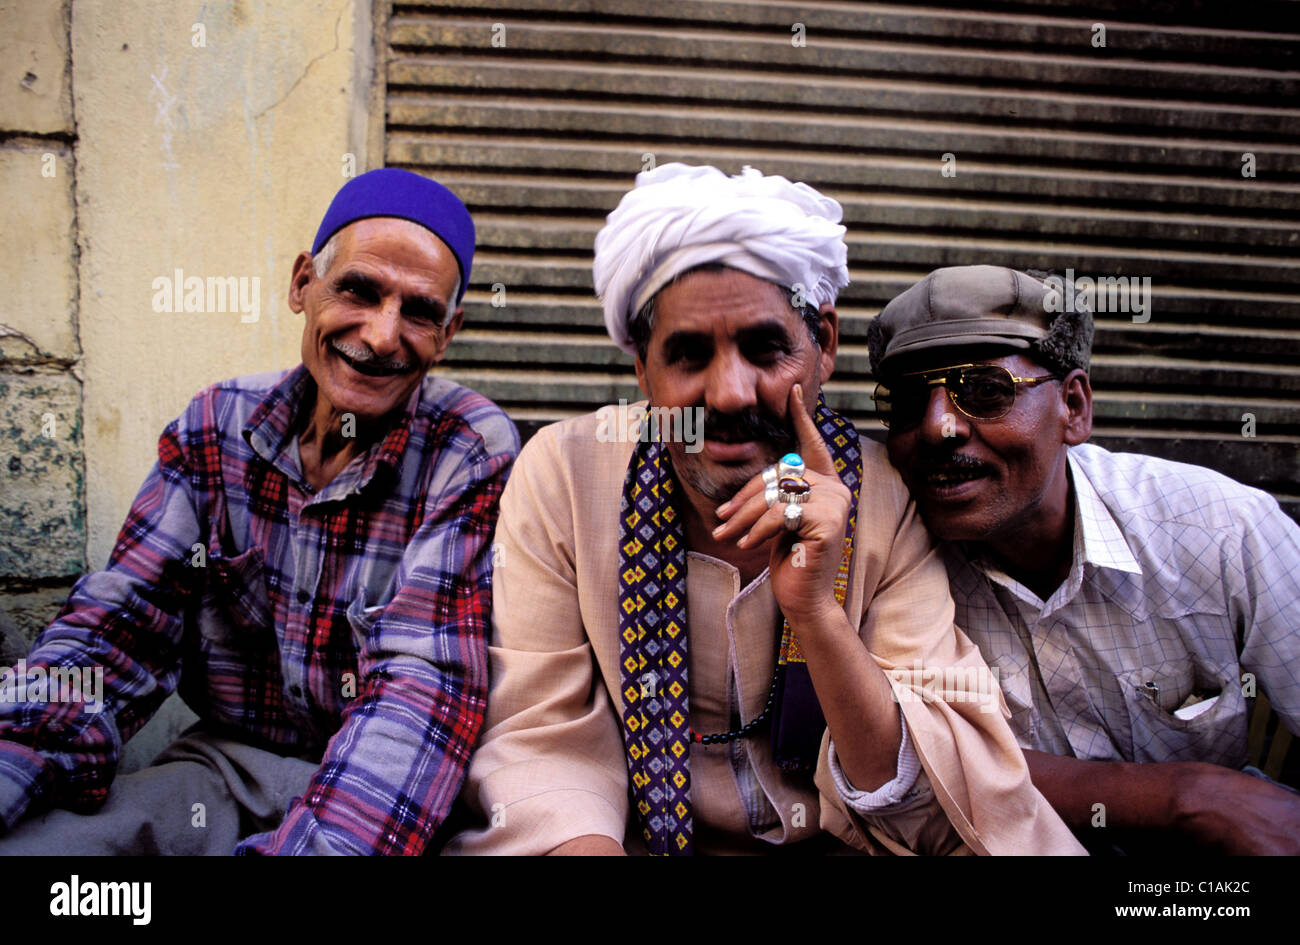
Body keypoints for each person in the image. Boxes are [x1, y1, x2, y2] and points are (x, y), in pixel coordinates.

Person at [445, 164, 1082, 855]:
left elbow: (922, 786)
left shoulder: (884, 493)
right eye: (688, 354)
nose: (728, 393)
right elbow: (544, 741)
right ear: (642, 370)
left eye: (764, 347)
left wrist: (817, 611)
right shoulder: (566, 471)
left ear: (825, 345)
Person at [0, 168, 518, 855]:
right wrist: (14, 765)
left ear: (448, 333)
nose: (383, 334)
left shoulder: (469, 451)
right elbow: (116, 633)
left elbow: (420, 696)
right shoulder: (215, 425)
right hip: (226, 770)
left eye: (419, 311)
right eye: (359, 290)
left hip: (389, 803)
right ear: (303, 283)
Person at [867, 263, 1300, 854]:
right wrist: (1190, 795)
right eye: (911, 401)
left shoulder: (1219, 530)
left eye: (986, 391)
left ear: (1073, 406)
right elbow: (907, 770)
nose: (939, 427)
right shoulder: (894, 562)